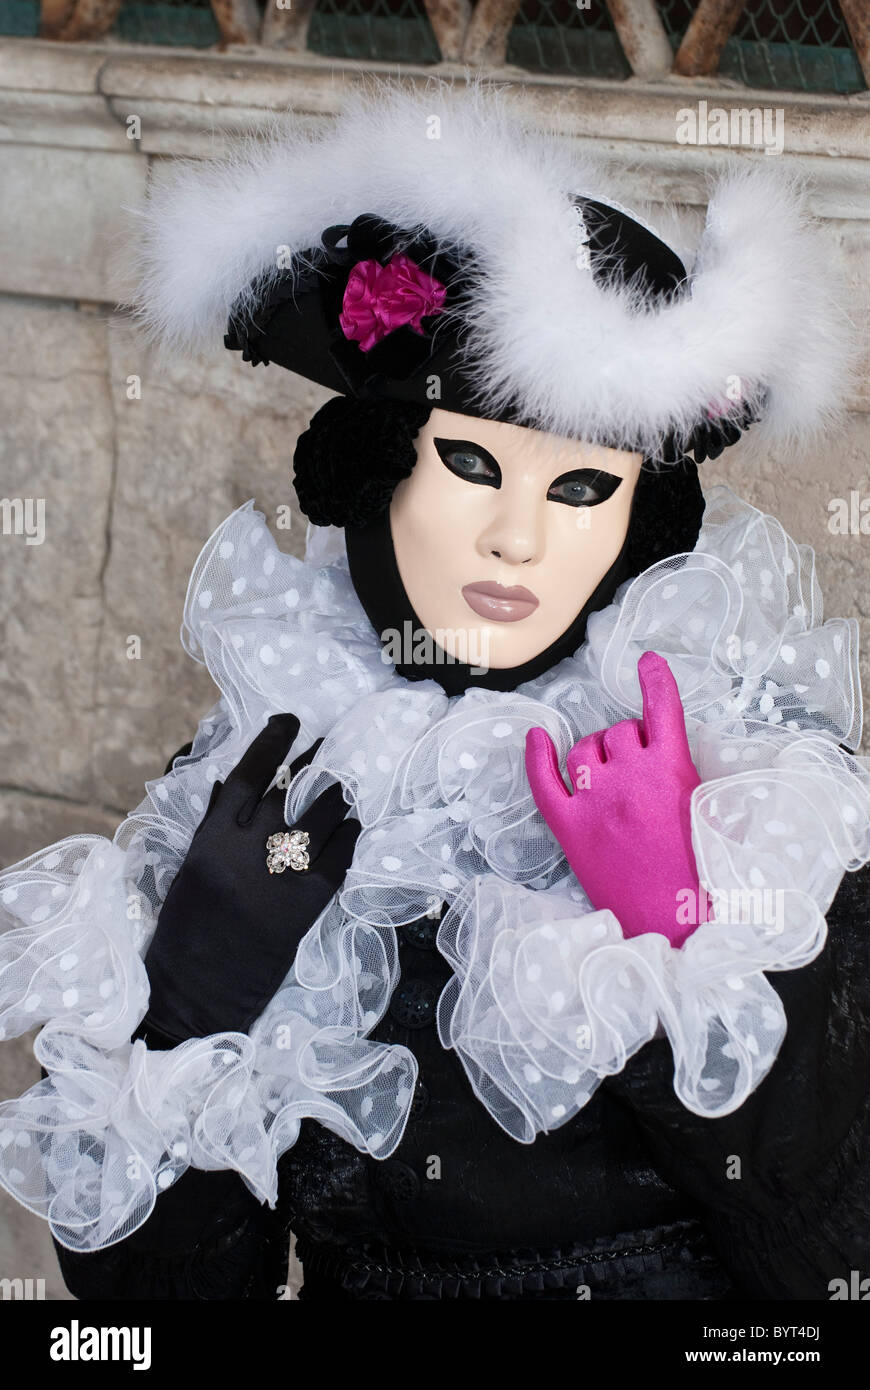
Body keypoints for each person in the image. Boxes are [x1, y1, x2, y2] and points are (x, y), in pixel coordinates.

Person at [1, 81, 868, 1302]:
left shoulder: (752, 777)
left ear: (636, 525)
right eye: (471, 464)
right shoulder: (267, 776)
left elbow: (834, 1266)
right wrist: (189, 1014)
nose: (517, 540)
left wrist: (686, 935)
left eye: (579, 490)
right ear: (377, 469)